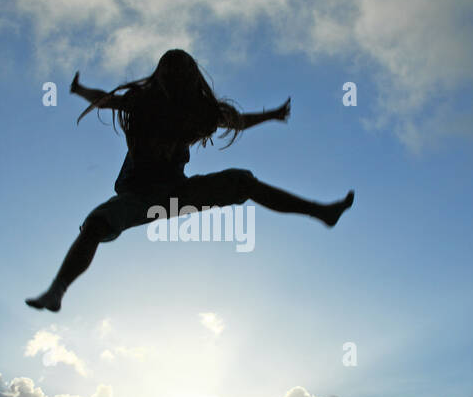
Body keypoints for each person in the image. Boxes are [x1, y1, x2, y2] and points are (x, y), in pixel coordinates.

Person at [26, 48, 354, 311]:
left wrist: (270, 115)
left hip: (177, 193)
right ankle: (57, 289)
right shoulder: (141, 103)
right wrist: (81, 89)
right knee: (97, 223)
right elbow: (105, 99)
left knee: (243, 181)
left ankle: (322, 212)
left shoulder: (198, 112)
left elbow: (237, 121)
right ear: (162, 77)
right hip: (138, 198)